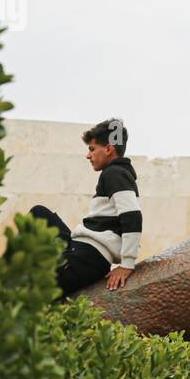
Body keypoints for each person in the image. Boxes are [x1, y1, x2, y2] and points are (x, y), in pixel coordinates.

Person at [28, 117, 142, 299]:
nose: (88, 155)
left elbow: (133, 216)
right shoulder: (114, 173)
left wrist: (127, 264)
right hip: (79, 248)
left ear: (108, 148)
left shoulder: (115, 173)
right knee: (39, 213)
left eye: (92, 149)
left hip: (87, 259)